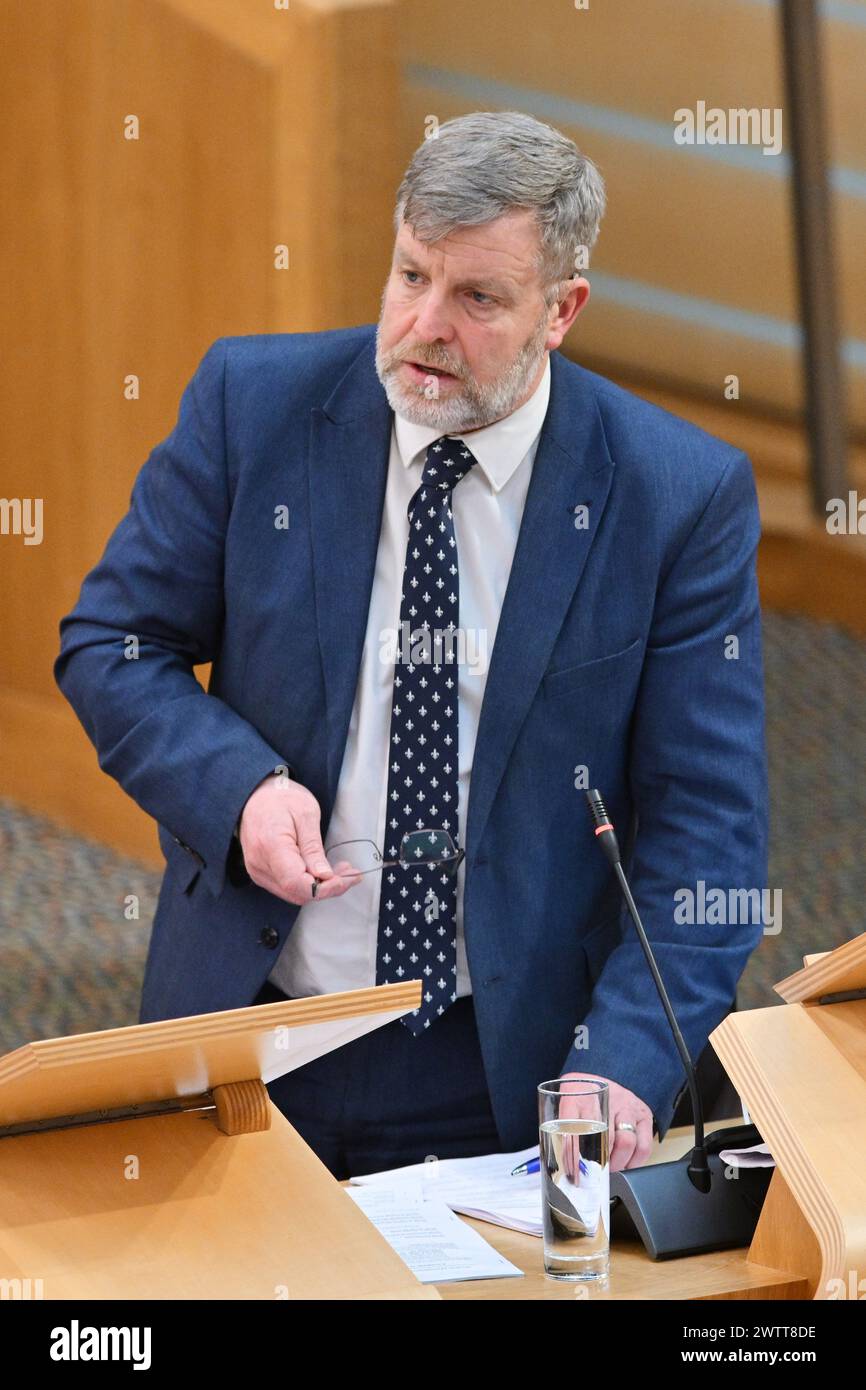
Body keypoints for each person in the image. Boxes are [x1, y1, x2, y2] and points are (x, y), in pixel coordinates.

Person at [55, 110, 768, 1181]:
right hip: (255, 1029)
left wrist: (621, 1058)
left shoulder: (673, 497)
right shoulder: (253, 410)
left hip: (503, 1065)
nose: (424, 325)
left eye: (477, 298)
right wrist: (238, 788)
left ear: (560, 310)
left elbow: (705, 826)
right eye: (408, 276)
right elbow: (112, 642)